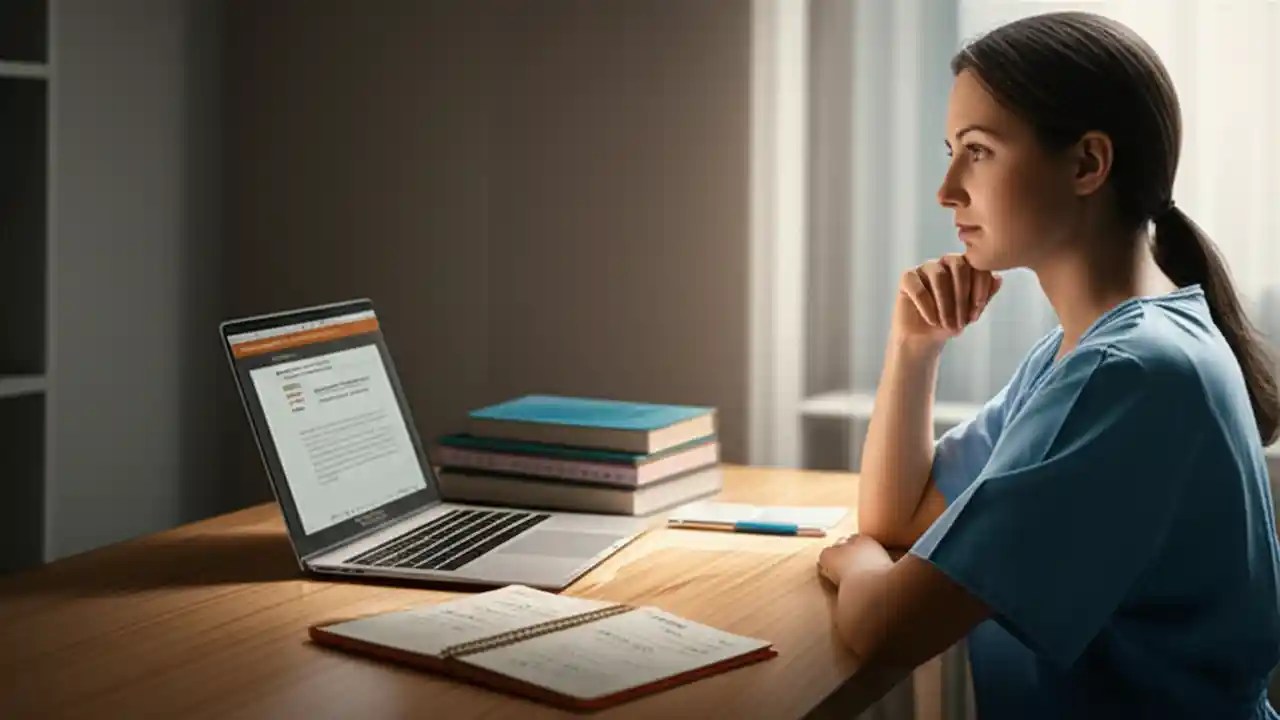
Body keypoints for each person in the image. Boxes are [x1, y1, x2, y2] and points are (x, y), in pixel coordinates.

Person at [816, 11, 1280, 718]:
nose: (946, 189)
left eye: (978, 151)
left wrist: (853, 563)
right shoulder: (1087, 353)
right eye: (951, 150)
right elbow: (900, 517)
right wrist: (914, 347)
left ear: (1088, 163)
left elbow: (886, 626)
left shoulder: (1127, 374)